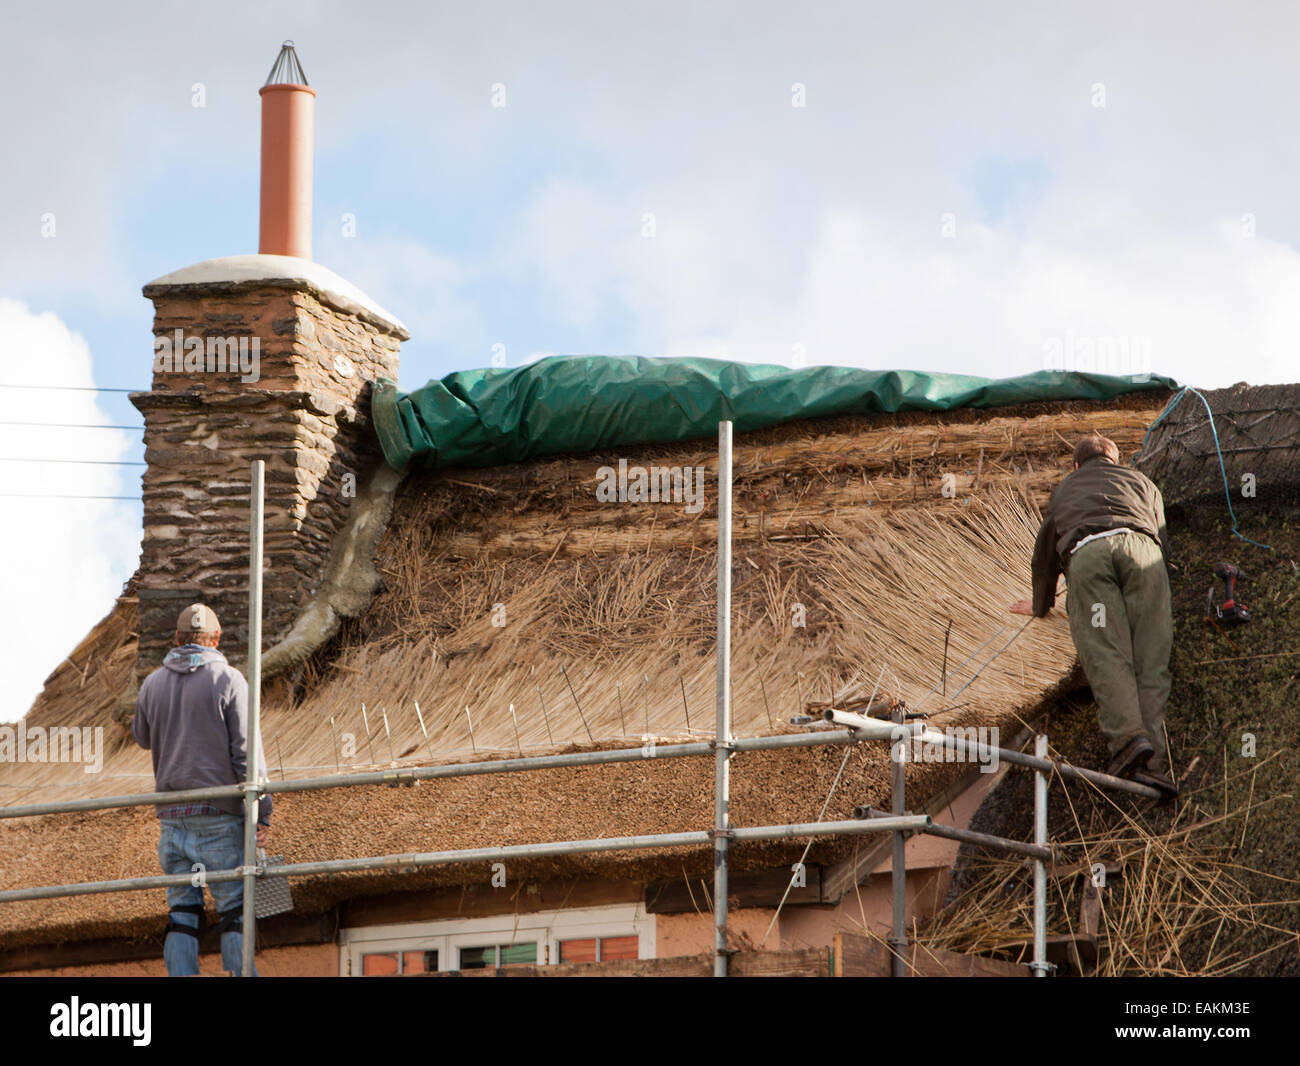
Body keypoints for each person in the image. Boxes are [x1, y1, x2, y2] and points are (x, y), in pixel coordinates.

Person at [1008, 434, 1177, 798]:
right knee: (1151, 657)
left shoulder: (1065, 489)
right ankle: (1154, 767)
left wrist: (1041, 605)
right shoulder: (1143, 484)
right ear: (1115, 462)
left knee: (1106, 651)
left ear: (1076, 465)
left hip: (1091, 557)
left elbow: (1044, 557)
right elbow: (1163, 539)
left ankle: (1128, 740)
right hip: (1145, 556)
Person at [131, 603, 272, 975]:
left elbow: (142, 737)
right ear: (217, 638)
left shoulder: (152, 684)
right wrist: (263, 811)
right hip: (219, 820)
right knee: (234, 908)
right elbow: (247, 755)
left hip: (174, 825)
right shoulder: (228, 680)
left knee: (183, 910)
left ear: (177, 639)